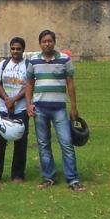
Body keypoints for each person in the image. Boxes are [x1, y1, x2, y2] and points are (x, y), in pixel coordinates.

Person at [25, 29, 85, 192]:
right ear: (39, 43)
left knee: (66, 143)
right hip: (40, 109)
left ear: (54, 42)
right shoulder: (33, 61)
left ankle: (73, 179)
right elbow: (29, 84)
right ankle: (48, 177)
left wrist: (73, 107)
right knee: (44, 144)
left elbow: (70, 84)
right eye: (44, 41)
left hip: (59, 109)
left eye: (50, 40)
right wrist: (28, 104)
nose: (47, 44)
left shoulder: (64, 60)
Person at [0, 37, 29, 183]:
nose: (15, 51)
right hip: (3, 110)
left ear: (23, 50)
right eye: (13, 48)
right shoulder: (3, 64)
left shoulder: (28, 65)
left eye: (18, 49)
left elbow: (28, 87)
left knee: (20, 143)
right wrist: (7, 100)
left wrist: (14, 100)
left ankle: (17, 175)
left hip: (21, 110)